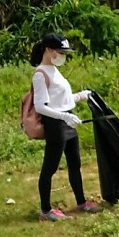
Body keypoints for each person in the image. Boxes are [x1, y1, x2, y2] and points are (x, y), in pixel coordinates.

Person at [30, 32, 101, 221]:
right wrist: (63, 116)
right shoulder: (40, 73)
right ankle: (45, 210)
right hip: (56, 125)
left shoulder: (54, 70)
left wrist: (81, 95)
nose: (63, 56)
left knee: (75, 164)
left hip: (68, 122)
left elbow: (62, 99)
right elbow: (40, 106)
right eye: (60, 52)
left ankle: (81, 202)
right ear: (48, 50)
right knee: (50, 168)